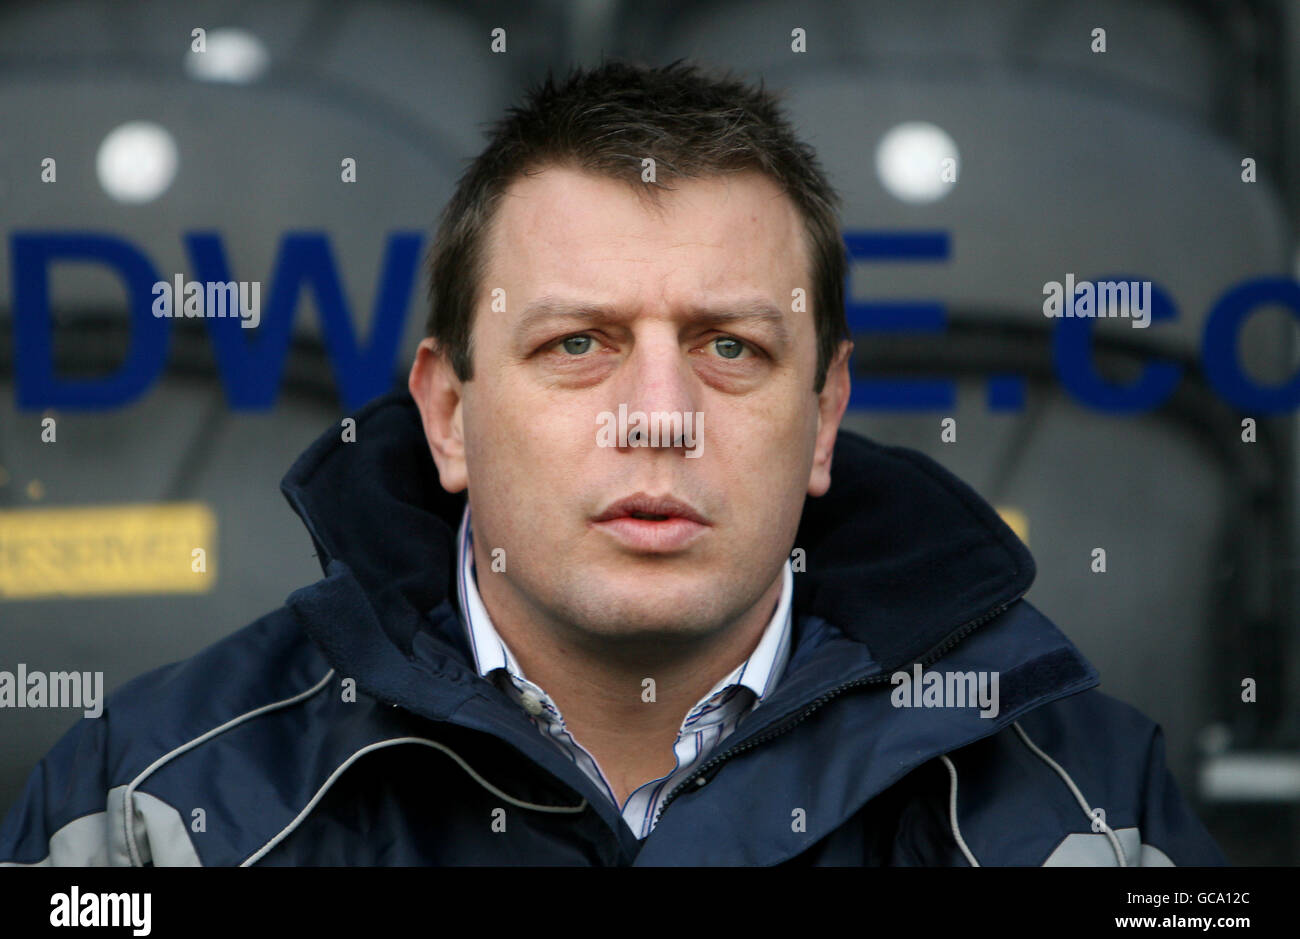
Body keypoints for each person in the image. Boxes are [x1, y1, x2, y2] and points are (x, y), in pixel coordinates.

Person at [0, 59, 1224, 866]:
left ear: (824, 413)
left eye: (730, 347)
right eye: (577, 343)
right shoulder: (150, 806)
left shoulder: (1089, 813)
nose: (657, 417)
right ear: (446, 413)